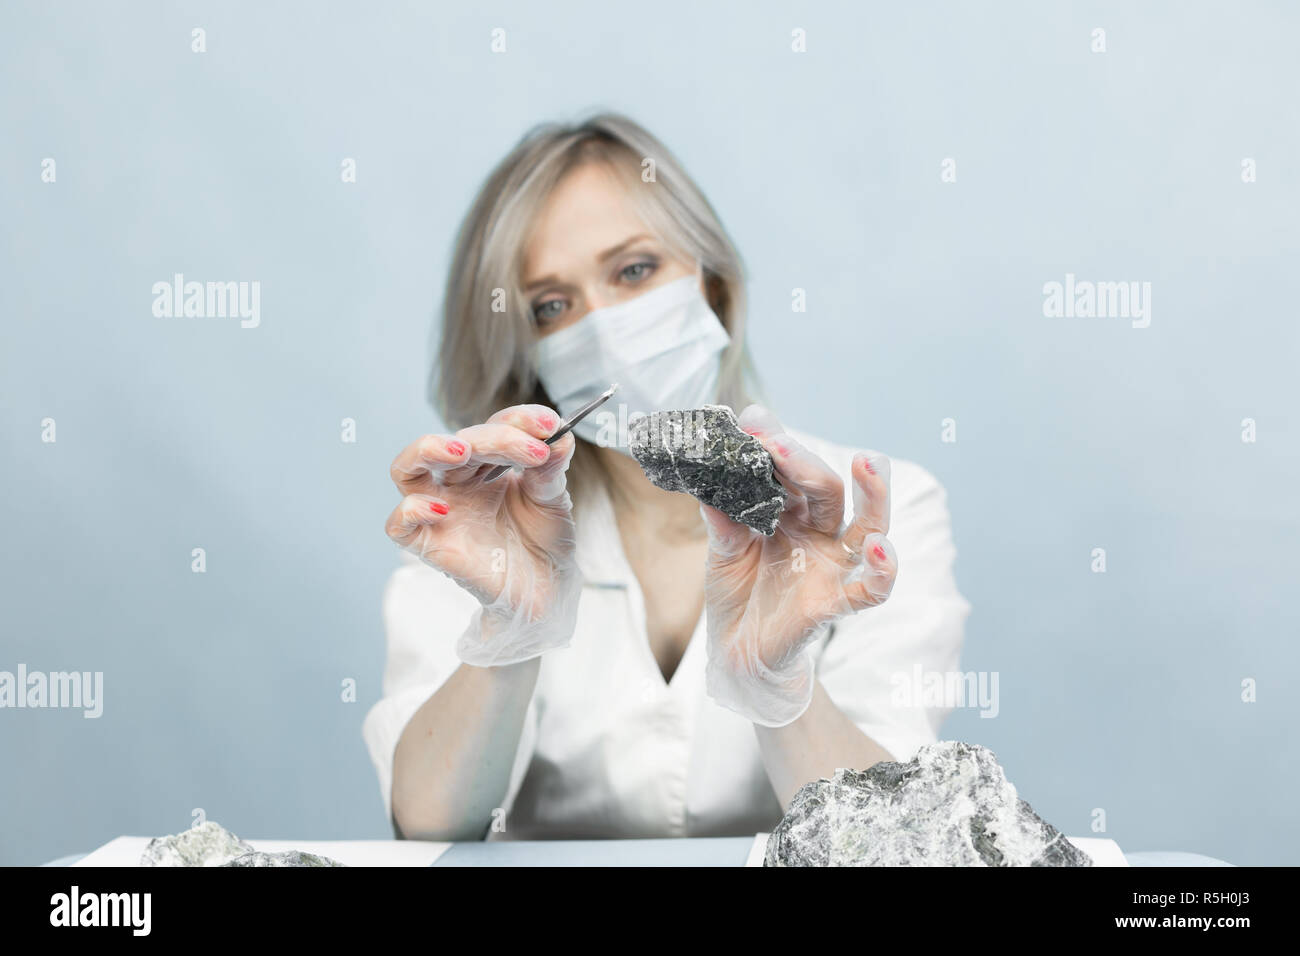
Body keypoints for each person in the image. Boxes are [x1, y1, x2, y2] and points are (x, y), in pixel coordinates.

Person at [363, 113, 970, 841]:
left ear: (713, 285)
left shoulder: (881, 509)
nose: (606, 328)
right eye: (552, 306)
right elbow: (430, 825)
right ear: (524, 348)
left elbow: (890, 843)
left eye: (634, 270)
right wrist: (509, 633)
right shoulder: (482, 523)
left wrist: (778, 685)